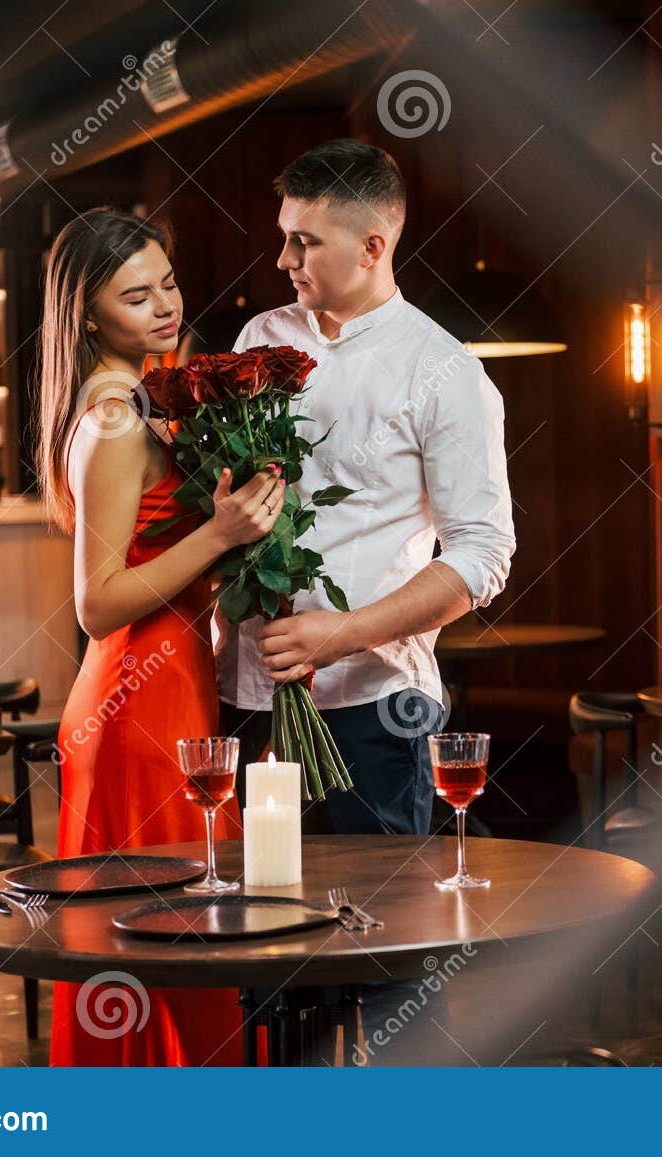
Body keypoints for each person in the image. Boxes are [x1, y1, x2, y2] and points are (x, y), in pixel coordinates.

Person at [216, 139, 517, 841]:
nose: (284, 260)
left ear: (371, 246)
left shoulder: (444, 370)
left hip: (377, 707)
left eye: (304, 242)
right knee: (251, 927)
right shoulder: (260, 336)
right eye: (284, 238)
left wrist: (341, 635)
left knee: (377, 930)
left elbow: (484, 553)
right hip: (245, 692)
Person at [38, 207, 282, 1065]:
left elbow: (157, 561)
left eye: (168, 284)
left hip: (170, 691)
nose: (165, 307)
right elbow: (97, 603)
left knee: (170, 949)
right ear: (90, 315)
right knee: (169, 950)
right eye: (136, 297)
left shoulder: (139, 395)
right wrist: (218, 535)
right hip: (134, 711)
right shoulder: (112, 416)